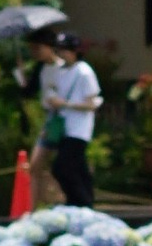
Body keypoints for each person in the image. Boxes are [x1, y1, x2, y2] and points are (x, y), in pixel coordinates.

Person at [38, 32, 103, 204]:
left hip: (79, 129)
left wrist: (65, 104)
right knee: (79, 169)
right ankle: (84, 203)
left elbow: (92, 104)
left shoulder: (84, 72)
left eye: (65, 50)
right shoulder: (61, 72)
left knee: (62, 168)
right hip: (64, 127)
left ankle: (80, 201)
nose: (62, 54)